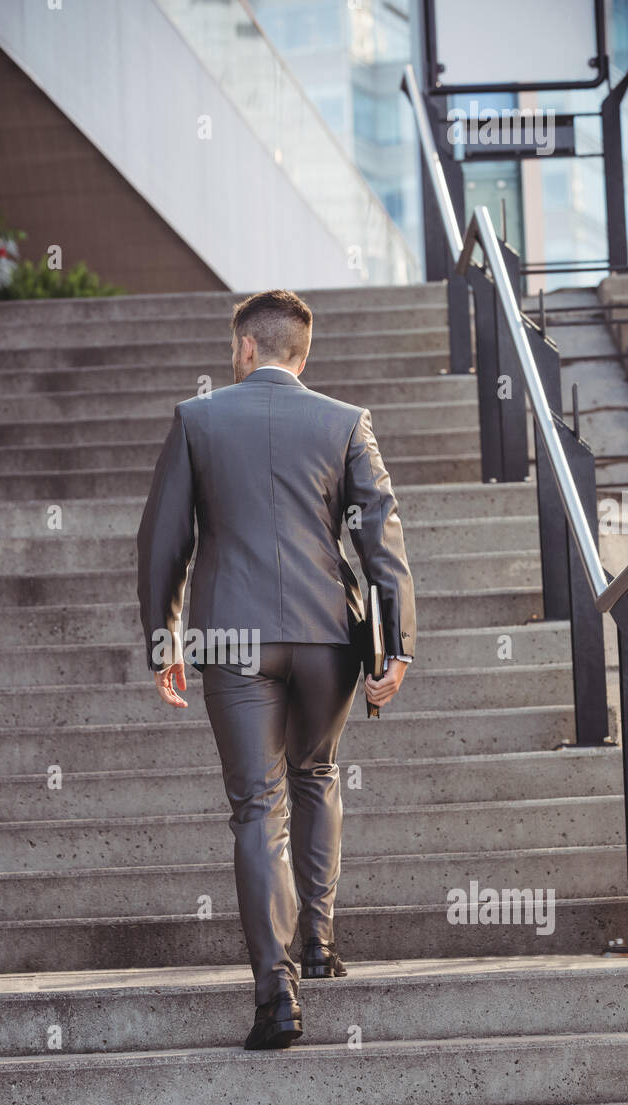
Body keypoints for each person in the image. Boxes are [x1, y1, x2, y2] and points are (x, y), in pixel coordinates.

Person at [137, 289, 416, 1049]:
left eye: (233, 347)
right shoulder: (344, 421)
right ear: (302, 352)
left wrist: (164, 640)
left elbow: (163, 541)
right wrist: (396, 645)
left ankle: (276, 997)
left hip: (232, 636)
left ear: (245, 349)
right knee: (315, 776)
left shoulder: (198, 420)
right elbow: (379, 541)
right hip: (328, 637)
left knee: (257, 806)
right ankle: (319, 946)